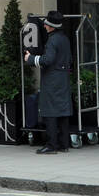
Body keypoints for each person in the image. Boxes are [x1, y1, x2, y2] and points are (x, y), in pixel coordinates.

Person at [25, 10, 72, 154]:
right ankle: (64, 143)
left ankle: (52, 145)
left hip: (52, 79)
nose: (44, 26)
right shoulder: (64, 38)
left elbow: (48, 60)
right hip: (63, 78)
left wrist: (31, 59)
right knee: (62, 111)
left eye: (46, 25)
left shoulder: (53, 40)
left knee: (50, 111)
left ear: (52, 26)